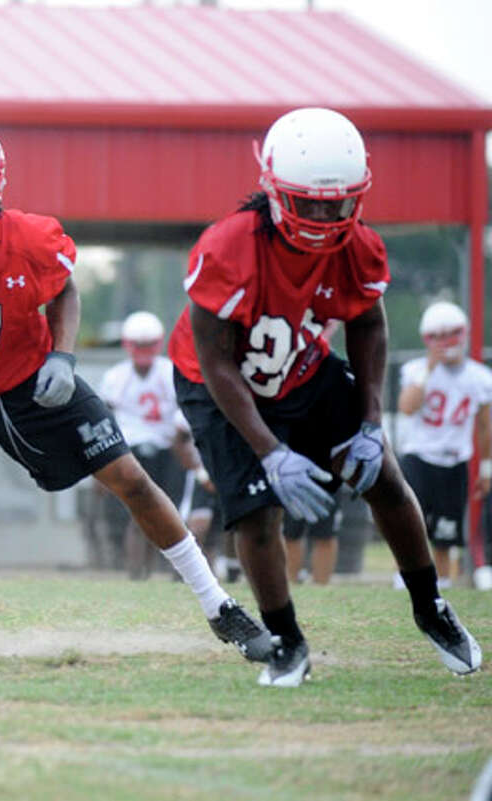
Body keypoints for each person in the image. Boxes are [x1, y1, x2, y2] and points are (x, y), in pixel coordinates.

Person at [0, 119, 270, 663]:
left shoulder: (31, 237)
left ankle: (220, 607)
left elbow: (64, 291)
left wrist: (62, 355)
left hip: (32, 380)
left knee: (130, 477)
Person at [167, 106, 481, 686]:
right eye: (306, 202)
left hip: (300, 368)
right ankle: (288, 643)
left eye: (334, 203)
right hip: (219, 385)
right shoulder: (228, 247)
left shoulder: (357, 247)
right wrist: (269, 450)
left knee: (383, 477)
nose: (321, 216)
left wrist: (370, 423)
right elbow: (215, 361)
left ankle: (431, 607)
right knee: (257, 512)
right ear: (273, 189)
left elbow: (369, 325)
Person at [397, 301, 492, 588]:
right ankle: (405, 580)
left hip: (454, 461)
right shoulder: (416, 370)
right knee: (409, 525)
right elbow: (407, 407)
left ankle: (443, 585)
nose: (445, 343)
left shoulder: (480, 376)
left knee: (446, 533)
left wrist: (486, 470)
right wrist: (429, 368)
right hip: (419, 457)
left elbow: (486, 426)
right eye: (437, 336)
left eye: (450, 334)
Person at [100, 311, 201, 579]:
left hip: (169, 450)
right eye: (139, 345)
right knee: (137, 514)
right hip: (130, 452)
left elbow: (185, 410)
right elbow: (105, 419)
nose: (143, 352)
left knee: (175, 513)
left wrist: (181, 435)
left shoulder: (170, 372)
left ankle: (178, 572)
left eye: (148, 345)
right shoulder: (115, 377)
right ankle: (136, 572)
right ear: (128, 344)